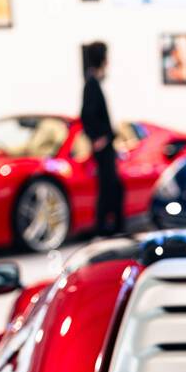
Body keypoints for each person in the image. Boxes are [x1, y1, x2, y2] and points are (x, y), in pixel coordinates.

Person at [81, 41, 124, 236]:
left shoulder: (93, 83)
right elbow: (86, 115)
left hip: (105, 145)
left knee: (112, 188)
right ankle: (105, 229)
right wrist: (100, 137)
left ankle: (110, 228)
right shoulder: (91, 84)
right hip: (103, 147)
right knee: (108, 188)